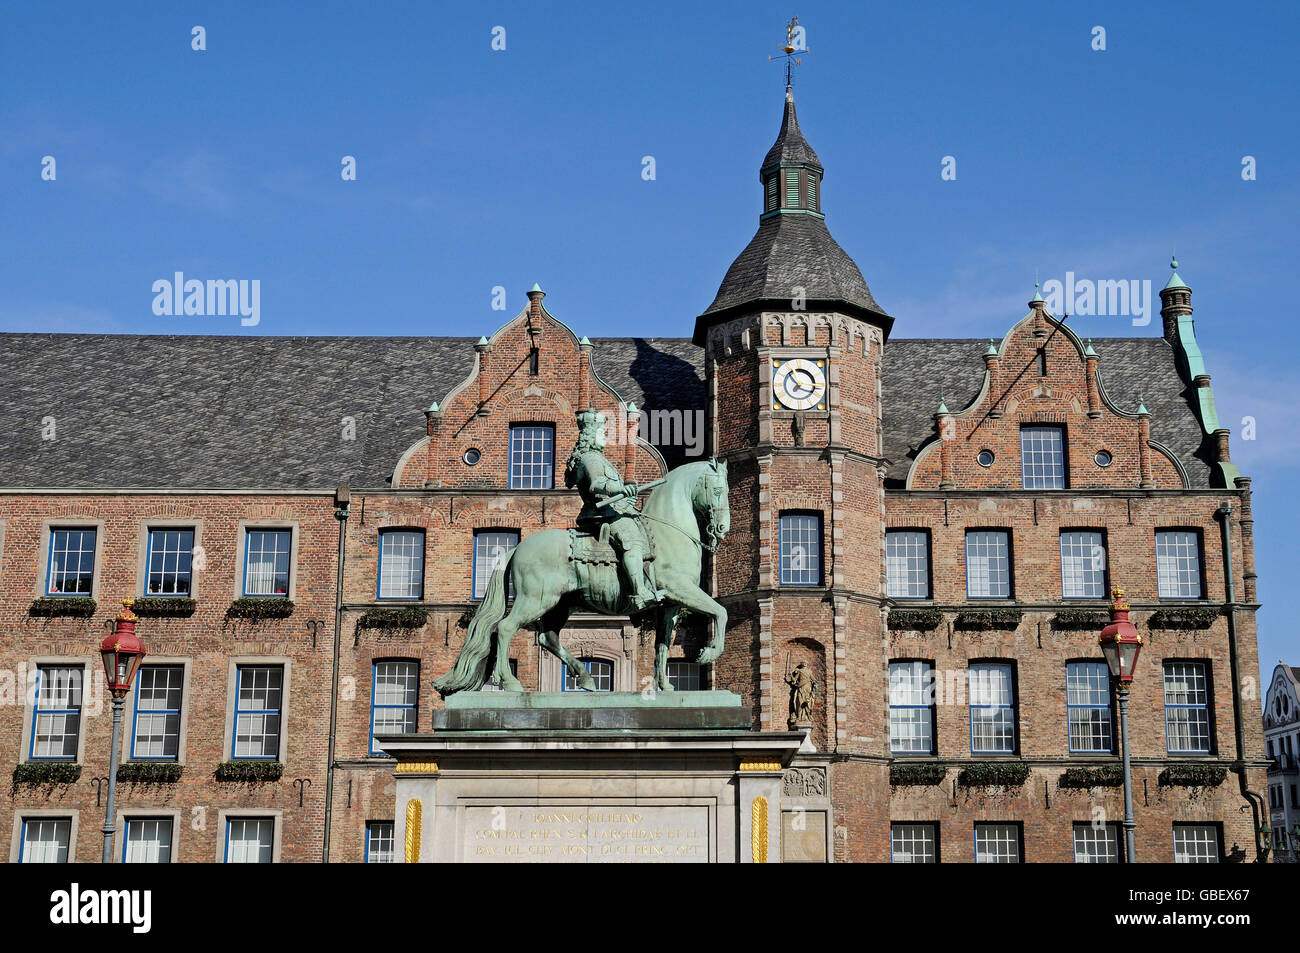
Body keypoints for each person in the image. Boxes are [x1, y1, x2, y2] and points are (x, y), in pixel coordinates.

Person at [564, 410, 661, 612]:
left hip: (610, 509)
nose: (605, 437)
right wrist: (620, 489)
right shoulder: (591, 458)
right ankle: (639, 592)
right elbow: (596, 484)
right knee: (632, 541)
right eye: (601, 432)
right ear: (590, 435)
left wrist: (627, 496)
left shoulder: (597, 457)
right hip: (602, 514)